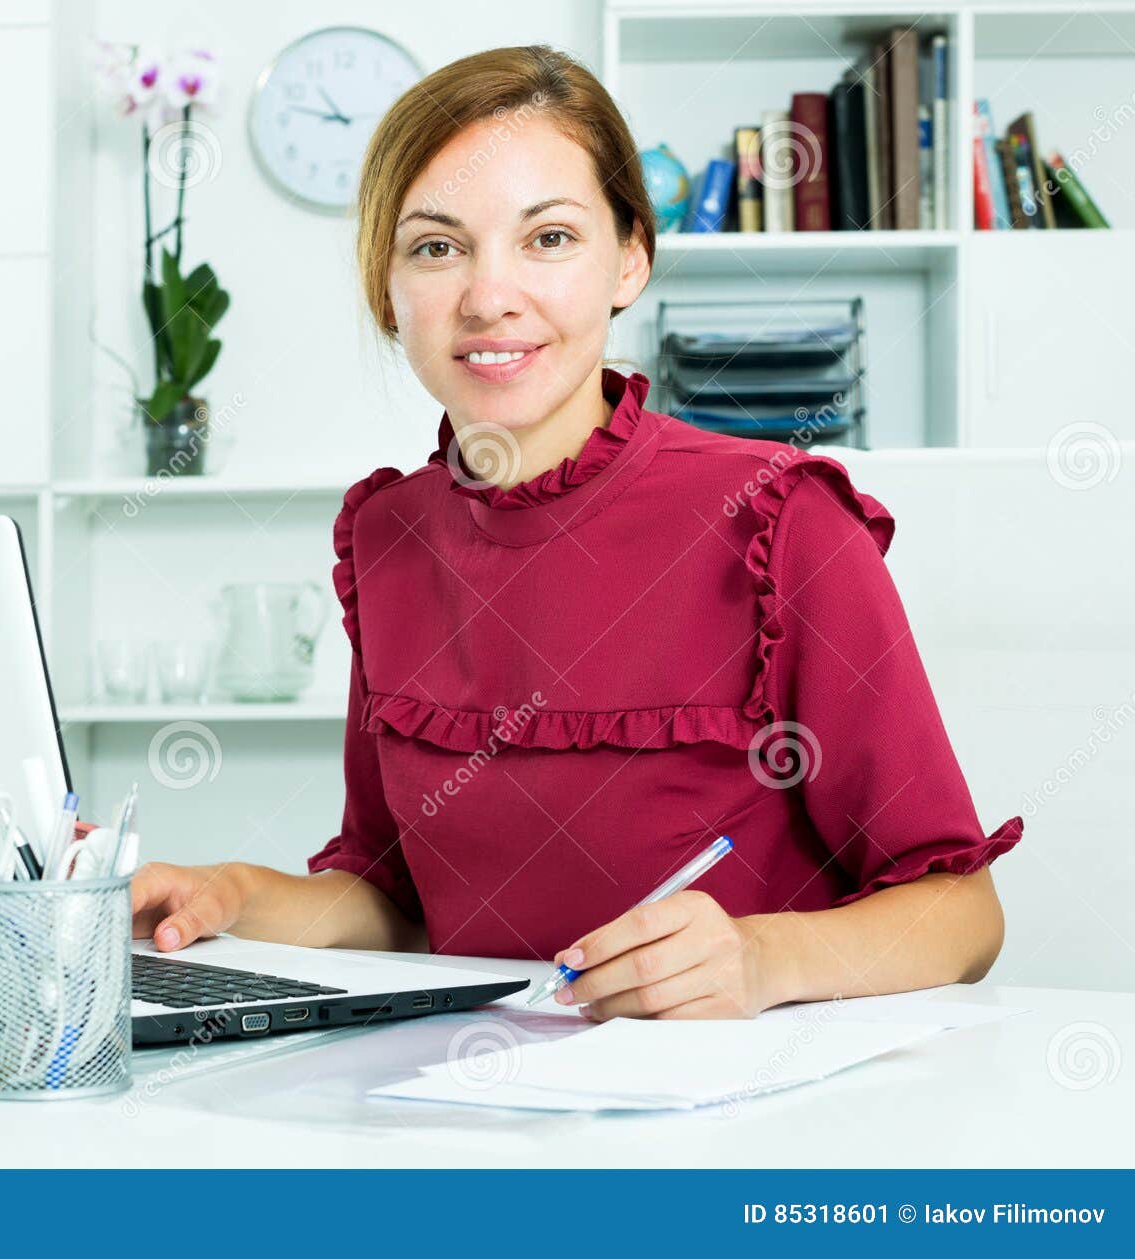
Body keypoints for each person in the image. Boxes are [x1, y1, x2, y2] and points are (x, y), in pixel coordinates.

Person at [130, 45, 1021, 1021]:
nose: (486, 294)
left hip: (734, 1117)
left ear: (628, 258)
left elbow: (962, 914)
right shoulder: (385, 535)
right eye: (435, 246)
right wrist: (234, 893)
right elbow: (392, 905)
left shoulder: (778, 518)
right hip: (470, 1106)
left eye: (547, 238)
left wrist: (767, 956)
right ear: (386, 283)